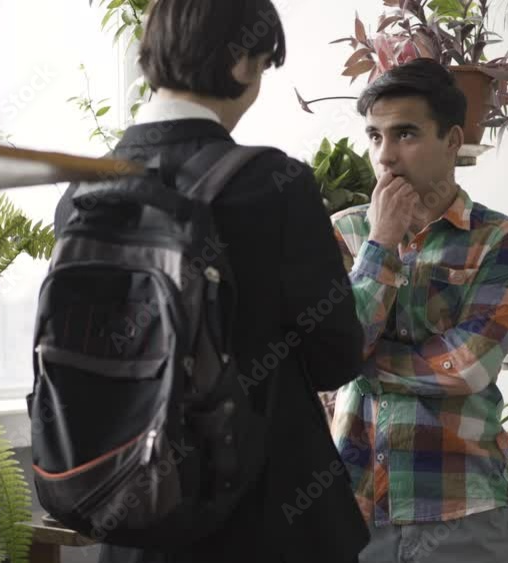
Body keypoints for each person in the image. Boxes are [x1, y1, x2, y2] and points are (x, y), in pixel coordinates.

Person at [53, 1, 370, 562]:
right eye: (264, 64)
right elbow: (335, 358)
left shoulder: (82, 193)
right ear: (243, 63)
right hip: (268, 517)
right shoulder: (275, 184)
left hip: (133, 511)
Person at [326, 58, 508, 563]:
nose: (386, 157)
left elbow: (468, 367)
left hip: (464, 512)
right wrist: (381, 243)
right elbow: (334, 352)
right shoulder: (344, 234)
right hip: (352, 510)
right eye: (375, 137)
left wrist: (360, 365)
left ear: (452, 140)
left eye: (406, 135)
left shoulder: (500, 240)